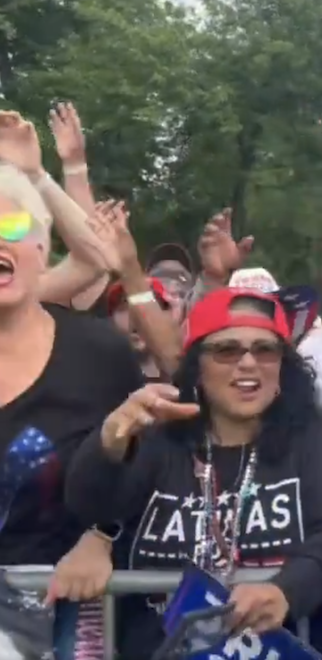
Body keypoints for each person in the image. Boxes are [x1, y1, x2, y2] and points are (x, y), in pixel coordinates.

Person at [65, 287, 322, 659]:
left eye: (265, 349)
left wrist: (286, 589)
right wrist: (110, 443)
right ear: (197, 365)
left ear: (282, 366)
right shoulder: (161, 432)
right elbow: (90, 503)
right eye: (227, 350)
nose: (247, 363)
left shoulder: (310, 432)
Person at [0, 182, 143, 657]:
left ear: (42, 252)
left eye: (12, 226)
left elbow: (149, 466)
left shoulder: (99, 353)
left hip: (68, 609)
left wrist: (101, 537)